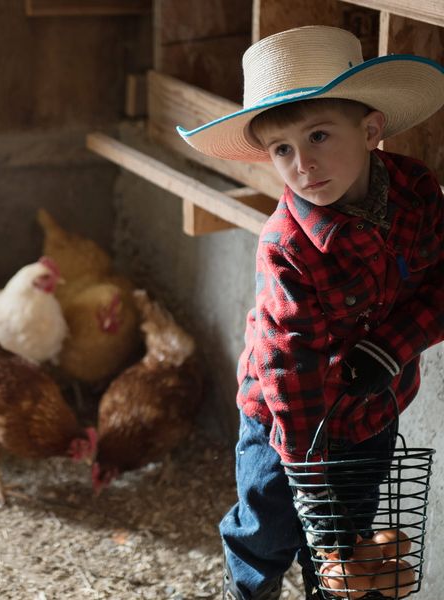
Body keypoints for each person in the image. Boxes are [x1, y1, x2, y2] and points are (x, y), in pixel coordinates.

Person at [176, 25, 444, 600]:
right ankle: (247, 591)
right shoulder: (287, 244)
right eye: (282, 150)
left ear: (371, 129)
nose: (303, 165)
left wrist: (390, 347)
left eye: (319, 136)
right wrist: (307, 474)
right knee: (267, 529)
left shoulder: (418, 193)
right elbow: (287, 361)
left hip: (371, 408)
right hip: (283, 420)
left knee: (343, 544)